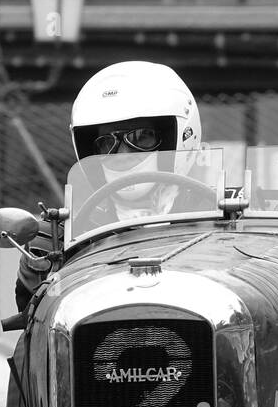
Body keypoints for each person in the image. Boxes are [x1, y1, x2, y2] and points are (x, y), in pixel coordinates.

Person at [13, 60, 203, 311]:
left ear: (177, 136)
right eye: (106, 143)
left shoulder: (225, 215)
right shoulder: (64, 236)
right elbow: (33, 332)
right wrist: (40, 272)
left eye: (140, 137)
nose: (122, 153)